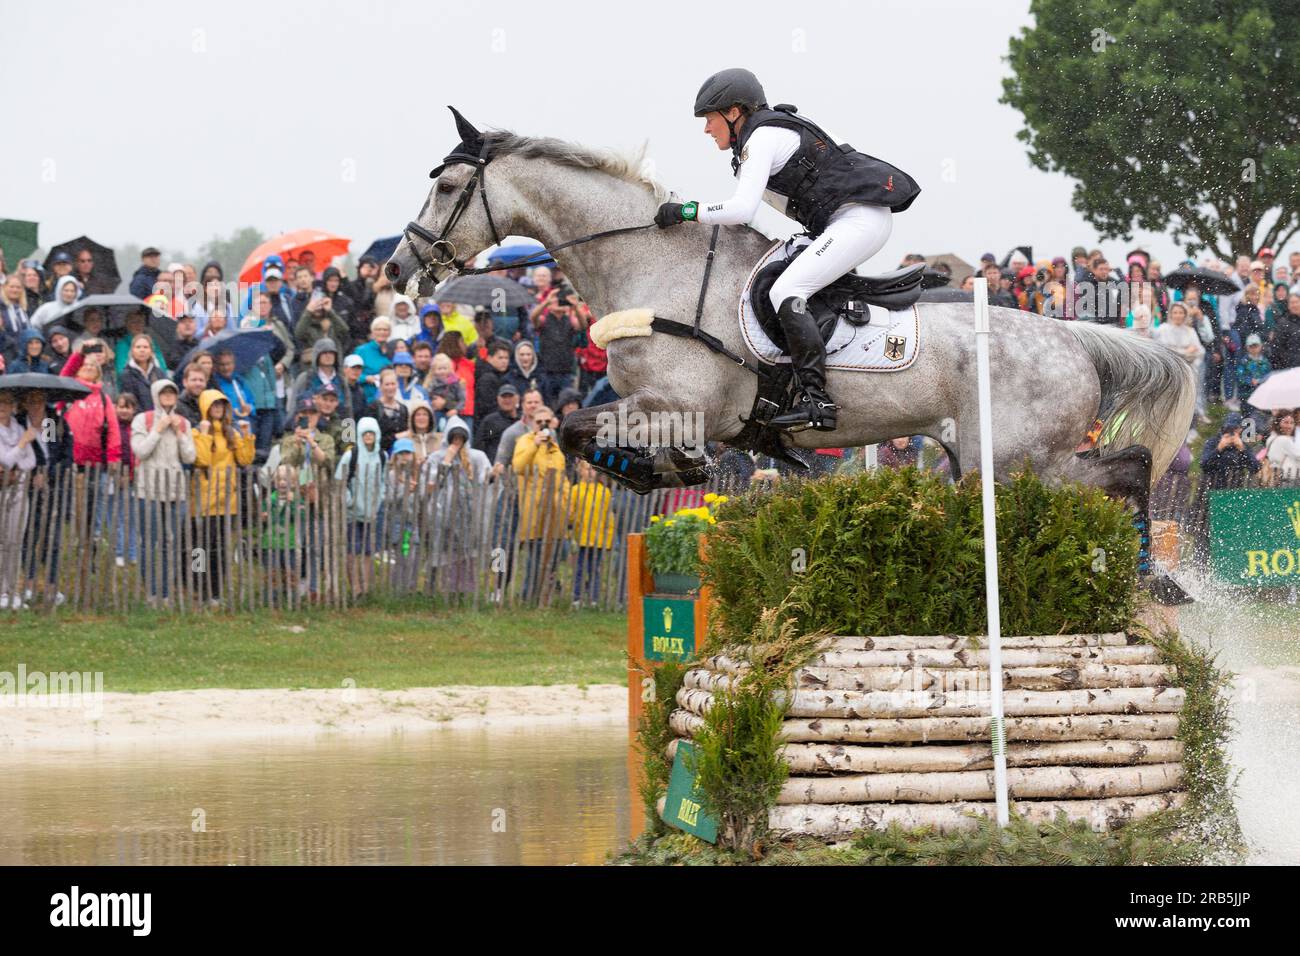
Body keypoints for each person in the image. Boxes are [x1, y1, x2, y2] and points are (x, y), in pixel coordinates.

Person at [655, 68, 920, 431]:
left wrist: (686, 211)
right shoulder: (764, 133)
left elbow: (741, 210)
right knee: (772, 279)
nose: (706, 129)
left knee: (786, 289)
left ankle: (817, 401)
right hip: (847, 221)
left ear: (734, 113)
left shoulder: (762, 137)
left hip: (859, 220)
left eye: (710, 120)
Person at [130, 378, 196, 606]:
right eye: (164, 394)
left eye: (172, 394)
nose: (168, 398)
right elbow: (140, 451)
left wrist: (179, 433)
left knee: (172, 542)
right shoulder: (143, 419)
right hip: (148, 488)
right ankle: (151, 592)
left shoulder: (184, 422)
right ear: (156, 395)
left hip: (176, 490)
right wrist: (157, 430)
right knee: (149, 542)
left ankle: (166, 593)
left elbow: (190, 457)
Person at [191, 390, 256, 606]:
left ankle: (216, 593)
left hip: (227, 501)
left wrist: (247, 437)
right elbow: (201, 459)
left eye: (221, 404)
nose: (217, 408)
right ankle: (197, 589)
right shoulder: (197, 432)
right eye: (214, 404)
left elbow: (245, 460)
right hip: (203, 500)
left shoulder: (231, 433)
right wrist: (204, 434)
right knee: (199, 548)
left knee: (220, 549)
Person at [424, 419, 490, 596]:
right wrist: (447, 460)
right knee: (445, 550)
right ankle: (447, 589)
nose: (458, 441)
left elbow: (485, 478)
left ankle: (466, 591)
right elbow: (431, 484)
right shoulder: (437, 457)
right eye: (455, 436)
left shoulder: (477, 456)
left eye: (462, 437)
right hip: (443, 512)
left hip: (469, 511)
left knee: (468, 550)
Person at [512, 404, 569, 603]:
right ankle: (528, 597)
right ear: (531, 423)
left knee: (552, 560)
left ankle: (546, 597)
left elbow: (564, 480)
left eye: (547, 421)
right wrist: (535, 444)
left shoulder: (556, 448)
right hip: (534, 514)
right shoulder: (524, 441)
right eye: (539, 422)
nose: (543, 425)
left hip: (555, 515)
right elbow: (518, 467)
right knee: (535, 559)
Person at [335, 417, 386, 598]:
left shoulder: (382, 455)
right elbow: (340, 479)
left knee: (367, 551)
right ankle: (354, 587)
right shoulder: (351, 455)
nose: (369, 436)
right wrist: (348, 501)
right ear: (359, 435)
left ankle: (365, 588)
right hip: (353, 512)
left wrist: (380, 498)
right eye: (365, 433)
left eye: (372, 433)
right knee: (352, 550)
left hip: (372, 511)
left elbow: (383, 480)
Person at [0, 391, 38, 608]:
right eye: (33, 400)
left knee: (22, 539)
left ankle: (47, 587)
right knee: (4, 540)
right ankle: (6, 589)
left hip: (37, 479)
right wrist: (24, 443)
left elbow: (51, 448)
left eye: (40, 400)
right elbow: (7, 459)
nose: (37, 404)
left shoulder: (51, 418)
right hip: (10, 484)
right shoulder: (25, 422)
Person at [567, 458, 614, 608]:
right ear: (580, 471)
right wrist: (571, 530)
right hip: (581, 539)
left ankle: (594, 599)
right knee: (580, 569)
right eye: (587, 469)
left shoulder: (604, 492)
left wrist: (608, 540)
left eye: (593, 469)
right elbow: (571, 515)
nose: (590, 472)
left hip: (598, 539)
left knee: (595, 571)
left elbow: (609, 518)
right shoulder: (575, 490)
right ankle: (577, 597)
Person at [365, 367, 410, 453]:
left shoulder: (403, 409)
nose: (390, 387)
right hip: (379, 453)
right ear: (381, 386)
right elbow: (371, 437)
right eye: (387, 384)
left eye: (393, 384)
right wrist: (396, 437)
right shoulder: (373, 408)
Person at [477, 383, 521, 465]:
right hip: (495, 466)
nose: (507, 400)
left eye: (510, 396)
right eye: (504, 397)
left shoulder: (523, 421)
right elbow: (481, 444)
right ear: (498, 399)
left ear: (517, 398)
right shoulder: (490, 421)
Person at [1265, 413, 1300, 481]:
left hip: (1275, 475)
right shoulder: (1284, 440)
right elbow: (1298, 455)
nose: (1289, 426)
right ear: (1278, 423)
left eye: (1292, 423)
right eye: (1286, 422)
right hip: (1288, 478)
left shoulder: (1271, 438)